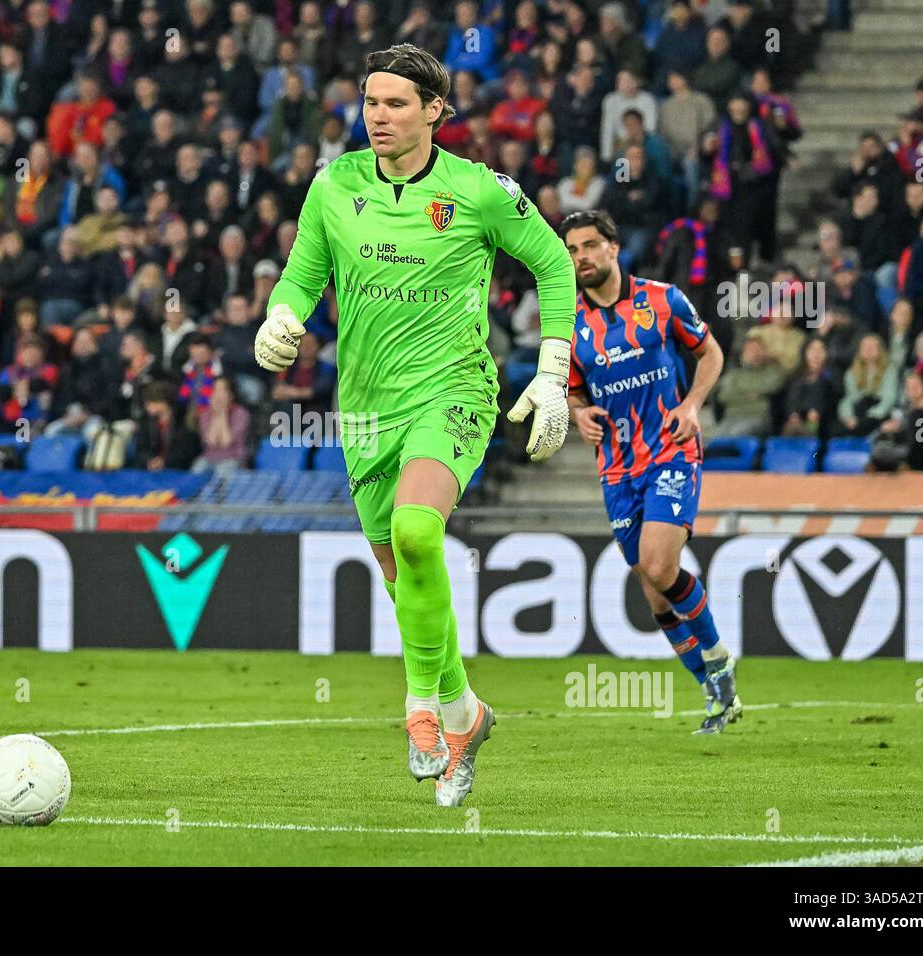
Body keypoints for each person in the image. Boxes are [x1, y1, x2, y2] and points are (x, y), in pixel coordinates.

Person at [258, 45, 575, 806]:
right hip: (364, 410)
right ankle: (467, 713)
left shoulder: (478, 191)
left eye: (396, 103)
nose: (378, 116)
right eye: (370, 102)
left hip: (454, 391)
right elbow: (305, 273)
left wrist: (554, 371)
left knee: (417, 533)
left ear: (436, 110)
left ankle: (421, 711)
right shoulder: (334, 185)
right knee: (406, 585)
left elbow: (555, 264)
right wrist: (281, 314)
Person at [560, 209, 739, 734]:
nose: (581, 258)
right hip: (616, 469)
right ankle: (711, 690)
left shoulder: (662, 299)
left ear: (614, 248)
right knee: (653, 589)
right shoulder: (568, 324)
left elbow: (709, 354)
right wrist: (577, 411)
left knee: (660, 566)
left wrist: (692, 404)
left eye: (590, 246)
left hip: (670, 449)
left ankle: (719, 659)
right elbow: (572, 386)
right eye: (572, 251)